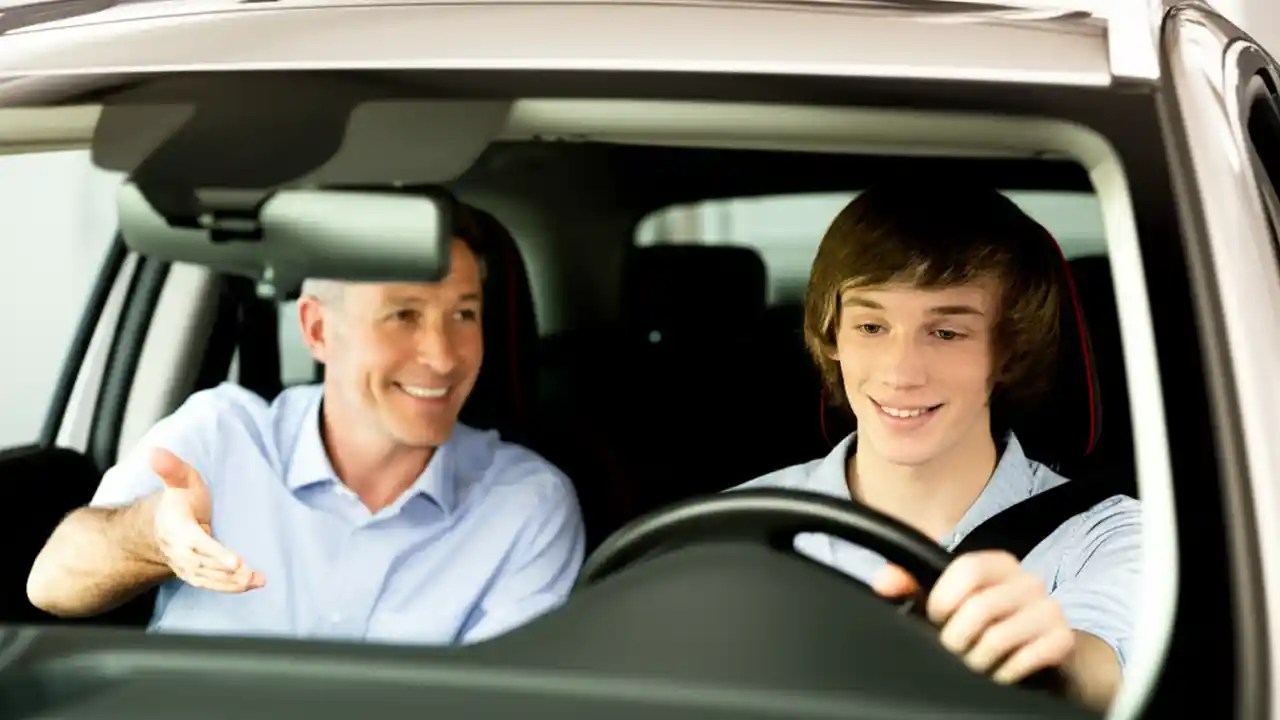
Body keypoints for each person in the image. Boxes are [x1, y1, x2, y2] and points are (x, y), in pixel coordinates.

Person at [26, 199, 585, 645]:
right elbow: (51, 583)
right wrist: (154, 536)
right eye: (404, 316)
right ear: (318, 331)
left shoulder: (526, 506)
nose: (442, 356)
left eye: (464, 314)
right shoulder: (221, 436)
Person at [733, 184, 1140, 712]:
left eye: (946, 333)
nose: (901, 372)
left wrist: (1052, 665)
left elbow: (1109, 660)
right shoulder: (738, 526)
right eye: (871, 326)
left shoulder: (1104, 537)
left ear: (1009, 351)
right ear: (833, 337)